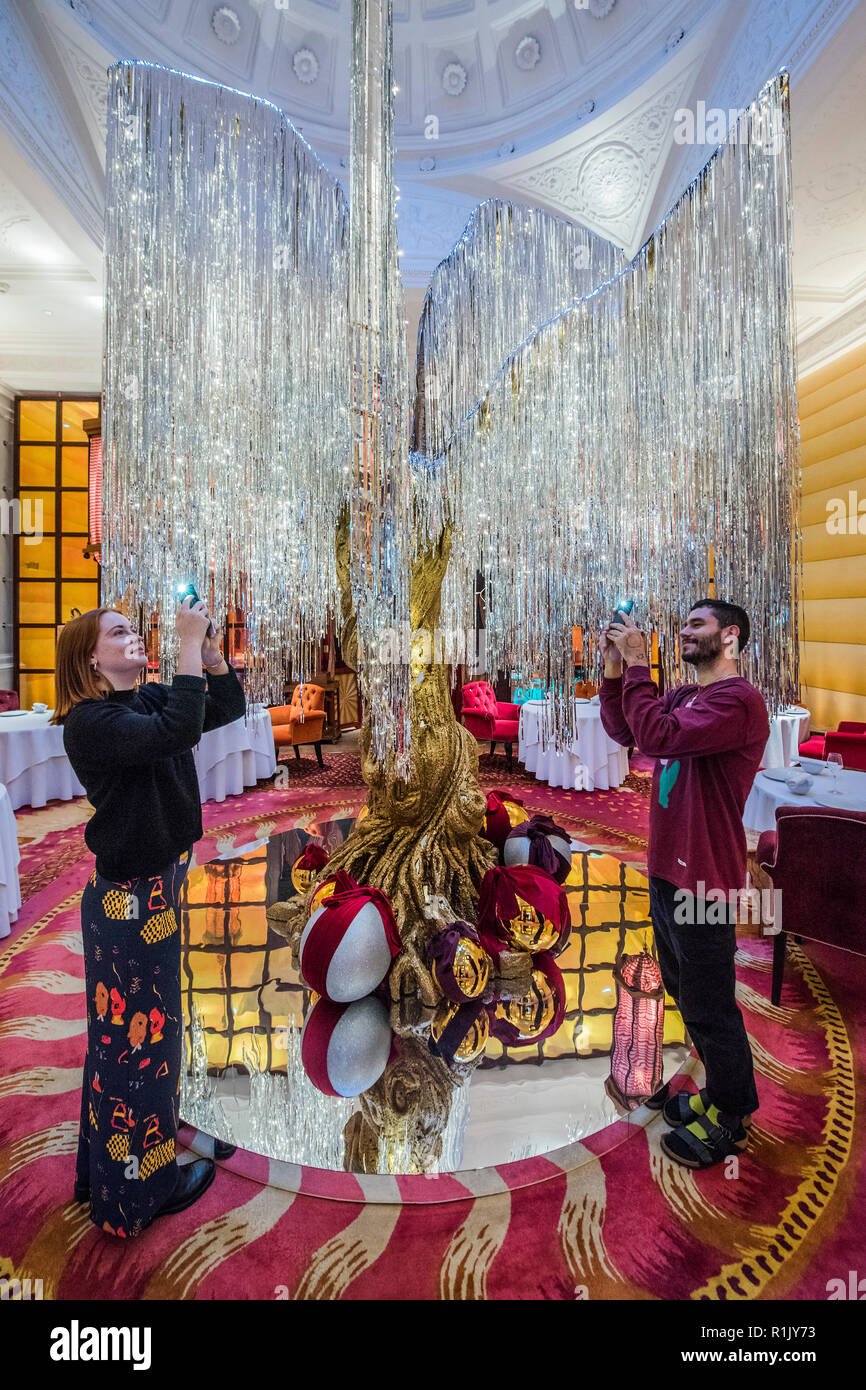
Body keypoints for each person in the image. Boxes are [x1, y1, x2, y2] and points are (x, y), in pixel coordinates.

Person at [54, 598, 245, 1237]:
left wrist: (211, 658)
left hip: (153, 888)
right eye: (120, 633)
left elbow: (221, 709)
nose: (135, 637)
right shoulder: (90, 722)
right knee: (141, 1041)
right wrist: (186, 648)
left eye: (134, 630)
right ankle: (139, 1191)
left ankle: (101, 1174)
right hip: (130, 898)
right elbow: (176, 732)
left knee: (124, 1039)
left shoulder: (136, 702)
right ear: (90, 658)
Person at [599, 599, 769, 1170]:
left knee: (710, 1004)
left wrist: (641, 664)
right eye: (683, 624)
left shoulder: (739, 701)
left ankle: (733, 1116)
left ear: (730, 637)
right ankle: (719, 1092)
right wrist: (615, 671)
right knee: (684, 990)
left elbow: (661, 737)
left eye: (697, 624)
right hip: (668, 871)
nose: (683, 631)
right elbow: (628, 728)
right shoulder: (686, 696)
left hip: (706, 881)